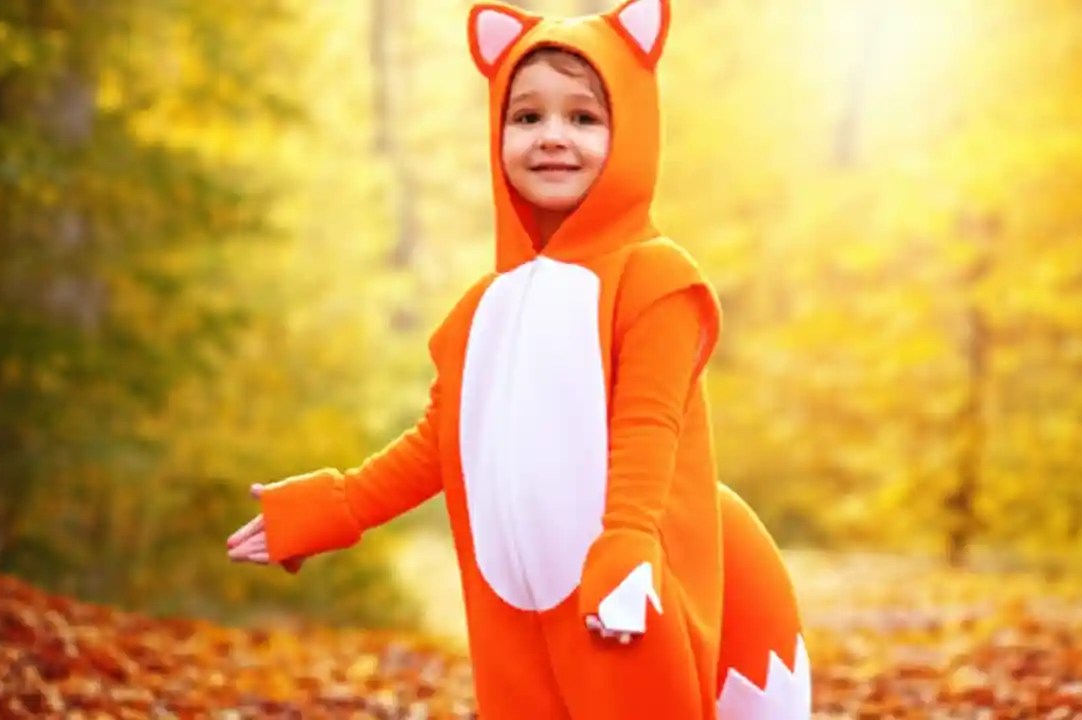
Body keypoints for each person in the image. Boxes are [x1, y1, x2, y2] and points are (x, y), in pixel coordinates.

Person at [226, 1, 810, 717]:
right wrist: (336, 506)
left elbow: (648, 427)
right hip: (513, 616)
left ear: (630, 127)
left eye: (584, 118)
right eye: (526, 117)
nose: (552, 138)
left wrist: (627, 545)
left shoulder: (654, 279)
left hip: (620, 591)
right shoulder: (482, 311)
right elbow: (440, 445)